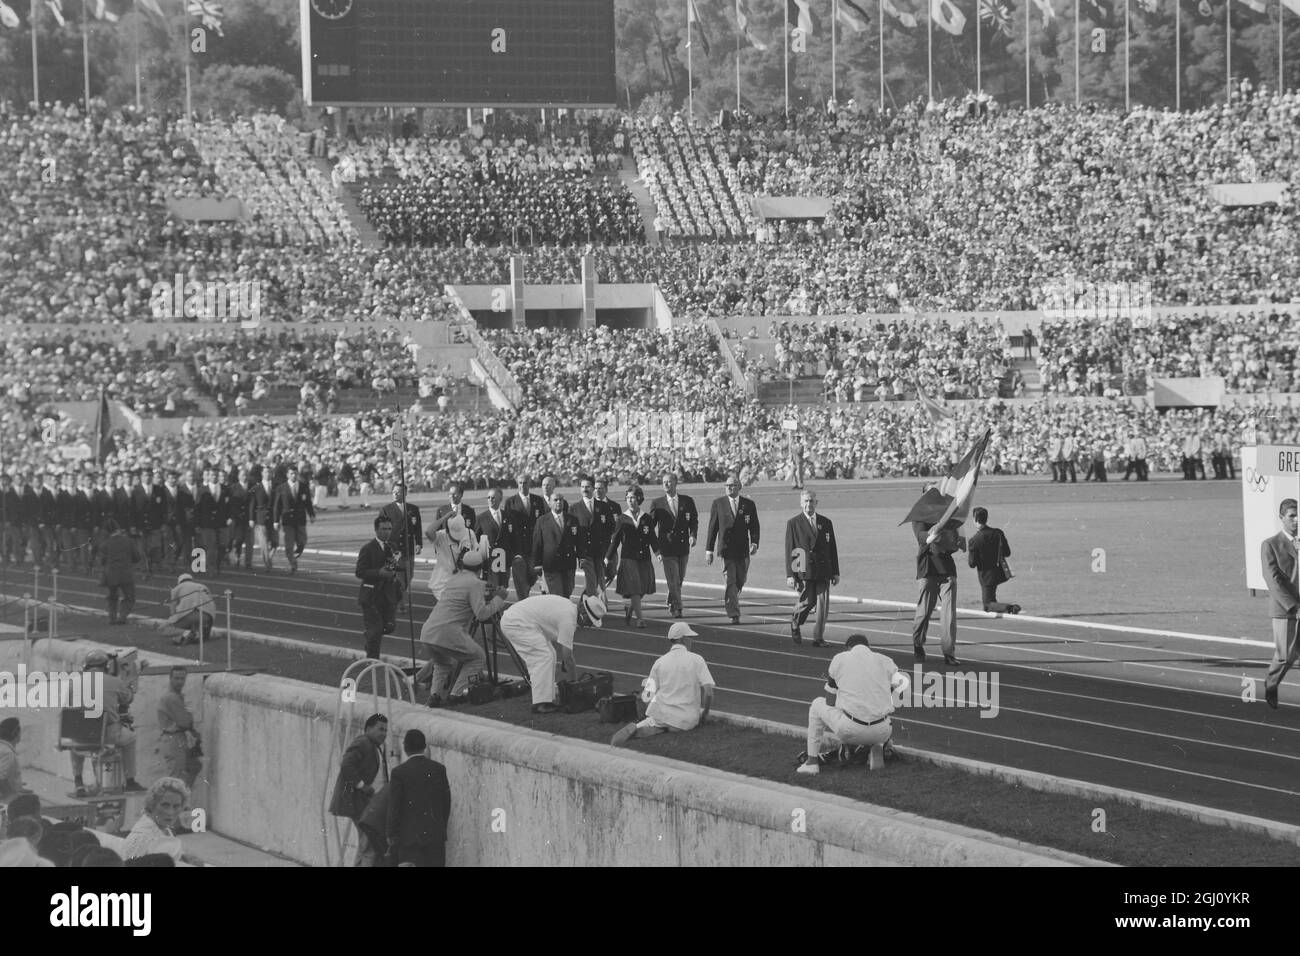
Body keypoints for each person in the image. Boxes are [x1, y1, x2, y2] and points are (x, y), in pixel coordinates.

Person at [416, 535, 504, 707]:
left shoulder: (454, 579)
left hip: (428, 632)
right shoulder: (475, 584)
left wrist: (484, 587)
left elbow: (467, 589)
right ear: (480, 568)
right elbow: (482, 614)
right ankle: (456, 695)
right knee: (478, 657)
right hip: (447, 633)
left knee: (442, 664)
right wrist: (499, 599)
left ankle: (435, 696)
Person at [797, 635, 903, 775]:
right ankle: (876, 746)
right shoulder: (885, 661)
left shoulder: (840, 659)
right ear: (868, 648)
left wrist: (843, 695)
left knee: (817, 704)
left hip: (852, 729)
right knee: (872, 709)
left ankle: (811, 763)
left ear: (847, 648)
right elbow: (900, 683)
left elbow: (829, 701)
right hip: (883, 731)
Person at [610, 622, 714, 746]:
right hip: (686, 720)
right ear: (683, 639)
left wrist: (642, 701)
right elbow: (708, 692)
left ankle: (644, 727)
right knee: (677, 724)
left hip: (661, 714)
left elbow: (647, 696)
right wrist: (705, 714)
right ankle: (663, 728)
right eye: (689, 637)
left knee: (652, 721)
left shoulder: (659, 662)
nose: (691, 641)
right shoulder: (697, 659)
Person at [500, 592, 606, 714]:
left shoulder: (569, 608)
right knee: (544, 657)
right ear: (583, 614)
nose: (588, 625)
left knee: (550, 654)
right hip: (516, 623)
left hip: (520, 619)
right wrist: (575, 687)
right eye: (589, 621)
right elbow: (568, 658)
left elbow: (566, 656)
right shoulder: (568, 619)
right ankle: (540, 704)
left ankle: (546, 699)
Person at [71, 649, 144, 797]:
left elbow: (69, 707)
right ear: (106, 666)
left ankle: (78, 781)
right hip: (108, 734)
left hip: (83, 735)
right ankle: (130, 781)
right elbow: (127, 698)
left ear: (86, 666)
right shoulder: (114, 681)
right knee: (130, 739)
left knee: (73, 741)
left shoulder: (75, 682)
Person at [911, 485, 963, 666]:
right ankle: (918, 643)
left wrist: (958, 539)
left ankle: (949, 652)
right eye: (931, 491)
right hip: (928, 567)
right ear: (924, 494)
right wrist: (932, 535)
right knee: (924, 611)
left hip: (947, 567)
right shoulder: (919, 515)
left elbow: (955, 535)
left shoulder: (946, 513)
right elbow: (920, 536)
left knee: (949, 613)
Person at [328, 713, 389, 867]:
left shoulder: (373, 746)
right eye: (380, 729)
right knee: (369, 847)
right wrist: (362, 786)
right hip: (359, 803)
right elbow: (346, 764)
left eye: (386, 730)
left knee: (365, 845)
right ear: (368, 728)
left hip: (365, 804)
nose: (384, 734)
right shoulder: (363, 742)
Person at [385, 729, 452, 868]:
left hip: (409, 839)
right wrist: (440, 826)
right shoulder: (439, 769)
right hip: (435, 836)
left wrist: (391, 833)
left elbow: (394, 806)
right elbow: (446, 802)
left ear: (405, 748)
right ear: (424, 746)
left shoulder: (399, 773)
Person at [784, 488, 839, 647]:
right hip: (804, 569)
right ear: (801, 503)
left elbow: (832, 548)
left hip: (823, 570)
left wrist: (835, 572)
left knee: (822, 605)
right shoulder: (793, 523)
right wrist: (791, 575)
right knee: (807, 602)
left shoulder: (826, 522)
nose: (809, 504)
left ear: (817, 503)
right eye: (806, 501)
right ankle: (795, 621)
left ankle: (818, 638)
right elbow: (791, 550)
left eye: (812, 501)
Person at [705, 473, 760, 624]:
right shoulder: (718, 503)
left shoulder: (749, 504)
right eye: (727, 486)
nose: (729, 488)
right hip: (726, 550)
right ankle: (734, 613)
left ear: (739, 487)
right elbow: (712, 528)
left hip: (743, 550)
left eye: (732, 485)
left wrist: (754, 543)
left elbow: (754, 526)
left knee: (740, 580)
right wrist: (708, 551)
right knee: (730, 581)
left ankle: (733, 597)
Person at [1263, 499, 1300, 710]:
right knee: (1286, 656)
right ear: (1282, 518)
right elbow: (1273, 580)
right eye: (1291, 516)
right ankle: (1271, 683)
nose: (1296, 520)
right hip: (1285, 610)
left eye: (1298, 516)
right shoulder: (1270, 545)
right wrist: (1294, 606)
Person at [607, 485, 657, 627]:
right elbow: (615, 540)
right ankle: (640, 619)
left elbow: (652, 537)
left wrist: (658, 553)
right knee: (635, 588)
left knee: (642, 589)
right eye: (628, 498)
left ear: (639, 499)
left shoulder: (646, 518)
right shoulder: (622, 518)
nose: (630, 500)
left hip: (644, 558)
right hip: (628, 558)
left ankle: (630, 609)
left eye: (633, 497)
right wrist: (607, 557)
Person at [650, 473, 697, 619]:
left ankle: (671, 601)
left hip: (683, 547)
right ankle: (678, 607)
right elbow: (651, 528)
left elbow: (694, 521)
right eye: (663, 482)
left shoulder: (687, 501)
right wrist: (656, 550)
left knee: (679, 579)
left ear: (676, 483)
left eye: (669, 482)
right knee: (673, 579)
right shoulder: (657, 503)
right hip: (667, 548)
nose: (666, 485)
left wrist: (693, 535)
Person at [356, 515, 402, 659]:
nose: (387, 532)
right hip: (371, 596)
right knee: (375, 630)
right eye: (383, 529)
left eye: (389, 529)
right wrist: (379, 573)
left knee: (389, 626)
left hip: (388, 595)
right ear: (376, 530)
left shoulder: (393, 547)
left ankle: (370, 637)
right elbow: (360, 571)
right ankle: (372, 661)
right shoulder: (368, 548)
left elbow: (395, 566)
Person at [967, 507, 1021, 615]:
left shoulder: (974, 540)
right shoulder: (998, 533)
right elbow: (1007, 552)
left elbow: (972, 564)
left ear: (975, 519)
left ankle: (1011, 608)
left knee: (987, 605)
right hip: (1000, 572)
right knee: (991, 600)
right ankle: (1004, 609)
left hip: (986, 575)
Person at [123, 777, 189, 862]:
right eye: (165, 805)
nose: (170, 812)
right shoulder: (141, 838)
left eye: (176, 806)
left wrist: (184, 858)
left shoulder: (163, 828)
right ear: (152, 804)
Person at [502, 474, 546, 600]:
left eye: (525, 483)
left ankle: (526, 589)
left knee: (532, 575)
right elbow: (508, 526)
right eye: (520, 483)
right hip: (518, 547)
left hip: (534, 546)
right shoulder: (510, 502)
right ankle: (523, 601)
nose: (522, 485)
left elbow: (542, 522)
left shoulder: (538, 500)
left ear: (530, 484)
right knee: (520, 578)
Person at [156, 667, 201, 788]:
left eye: (182, 678)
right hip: (173, 740)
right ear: (170, 678)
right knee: (175, 780)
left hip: (176, 739)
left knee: (191, 768)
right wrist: (189, 716)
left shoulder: (176, 696)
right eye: (176, 678)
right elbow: (185, 721)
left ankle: (182, 803)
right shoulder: (172, 698)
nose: (179, 681)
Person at [532, 490, 580, 598]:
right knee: (557, 594)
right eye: (555, 500)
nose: (558, 502)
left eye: (561, 500)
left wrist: (581, 558)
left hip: (568, 564)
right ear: (549, 503)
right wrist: (537, 563)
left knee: (567, 592)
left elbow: (579, 540)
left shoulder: (572, 519)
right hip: (551, 564)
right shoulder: (542, 521)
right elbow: (537, 544)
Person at [380, 483, 422, 608]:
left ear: (405, 493)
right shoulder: (386, 509)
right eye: (394, 492)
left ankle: (397, 596)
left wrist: (419, 543)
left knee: (409, 575)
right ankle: (399, 601)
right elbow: (381, 530)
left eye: (398, 492)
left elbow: (417, 528)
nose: (396, 494)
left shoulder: (413, 509)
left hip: (408, 548)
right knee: (398, 577)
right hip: (394, 549)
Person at [99, 518, 142, 625]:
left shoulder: (104, 545)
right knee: (129, 597)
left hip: (111, 575)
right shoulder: (129, 541)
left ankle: (112, 618)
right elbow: (137, 558)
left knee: (112, 597)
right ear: (118, 529)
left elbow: (102, 561)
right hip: (126, 574)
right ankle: (122, 616)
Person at [274, 465, 315, 573]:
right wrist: (276, 520)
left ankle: (298, 551)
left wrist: (311, 514)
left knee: (303, 540)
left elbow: (308, 503)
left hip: (300, 518)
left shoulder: (303, 486)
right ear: (287, 475)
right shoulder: (281, 488)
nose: (294, 475)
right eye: (291, 473)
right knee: (289, 545)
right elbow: (277, 506)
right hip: (288, 520)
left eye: (295, 473)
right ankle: (293, 563)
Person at [166, 573, 214, 646]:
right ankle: (196, 636)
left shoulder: (177, 588)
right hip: (209, 617)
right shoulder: (203, 586)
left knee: (166, 628)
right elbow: (211, 603)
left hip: (193, 614)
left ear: (179, 582)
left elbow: (173, 608)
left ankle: (185, 635)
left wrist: (173, 620)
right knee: (194, 623)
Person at [248, 463, 278, 571]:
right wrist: (251, 518)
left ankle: (268, 558)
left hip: (274, 519)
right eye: (265, 472)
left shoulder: (276, 487)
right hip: (261, 519)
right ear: (262, 474)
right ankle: (267, 565)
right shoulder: (256, 488)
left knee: (275, 542)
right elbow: (252, 504)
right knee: (264, 543)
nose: (268, 474)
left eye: (269, 472)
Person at [0, 718, 24, 799]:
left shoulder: (2, 748)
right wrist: (11, 796)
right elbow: (1, 778)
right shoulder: (8, 753)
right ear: (16, 734)